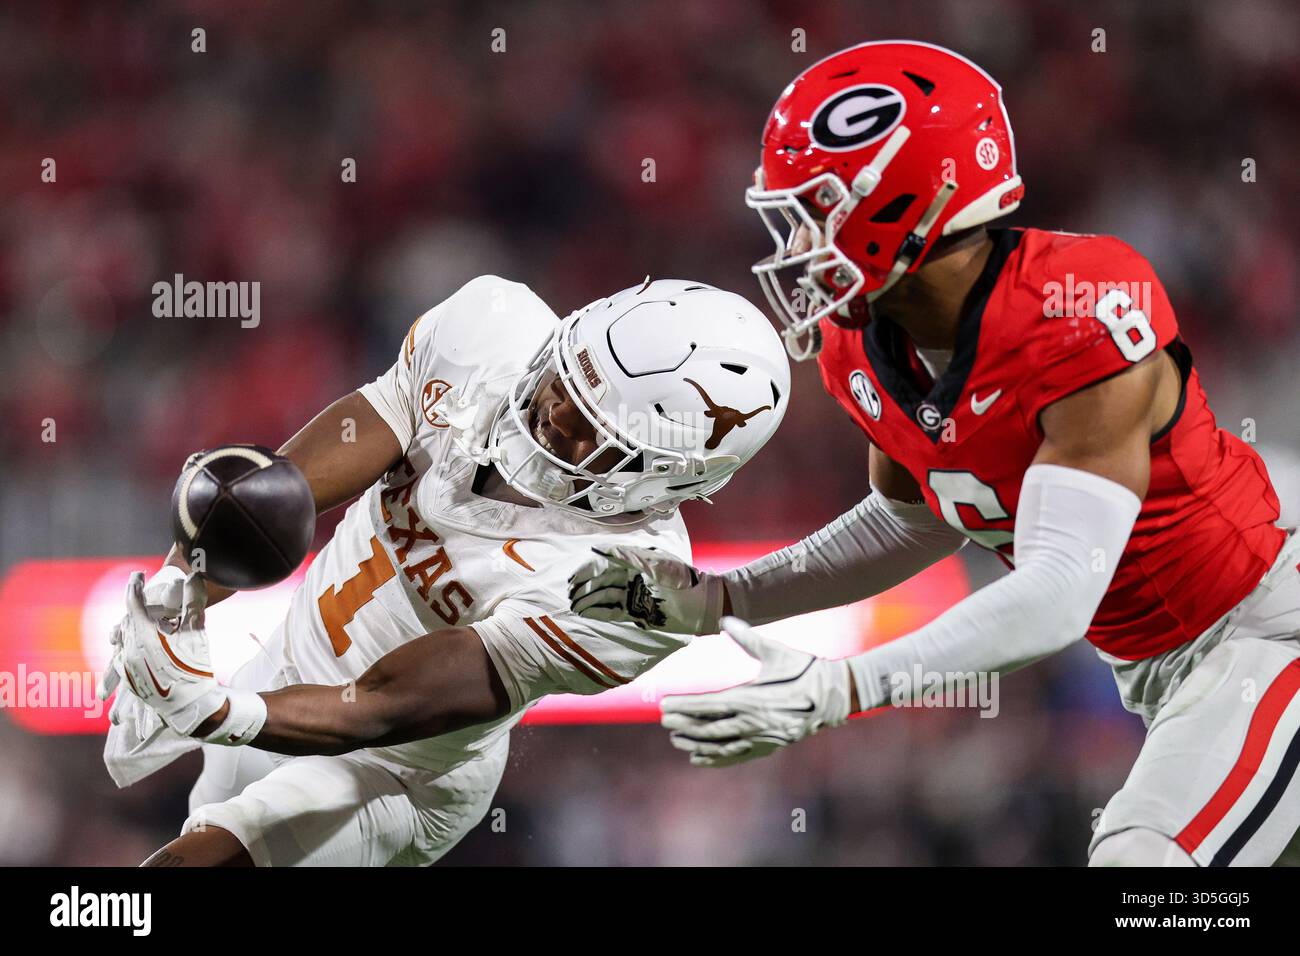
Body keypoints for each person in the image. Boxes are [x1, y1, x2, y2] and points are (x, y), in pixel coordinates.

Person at [568, 42, 1300, 867]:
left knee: (1147, 865)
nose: (795, 237)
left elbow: (1059, 590)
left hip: (1265, 632)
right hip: (1168, 668)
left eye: (817, 206)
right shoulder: (862, 346)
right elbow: (913, 521)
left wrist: (844, 690)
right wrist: (720, 600)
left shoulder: (1079, 306)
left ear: (914, 198)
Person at [103, 276, 789, 866]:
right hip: (280, 668)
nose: (551, 411)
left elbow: (380, 709)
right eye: (563, 381)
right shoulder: (492, 330)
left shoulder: (634, 586)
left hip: (395, 772)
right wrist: (179, 588)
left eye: (590, 428)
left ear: (663, 478)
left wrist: (217, 709)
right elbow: (272, 504)